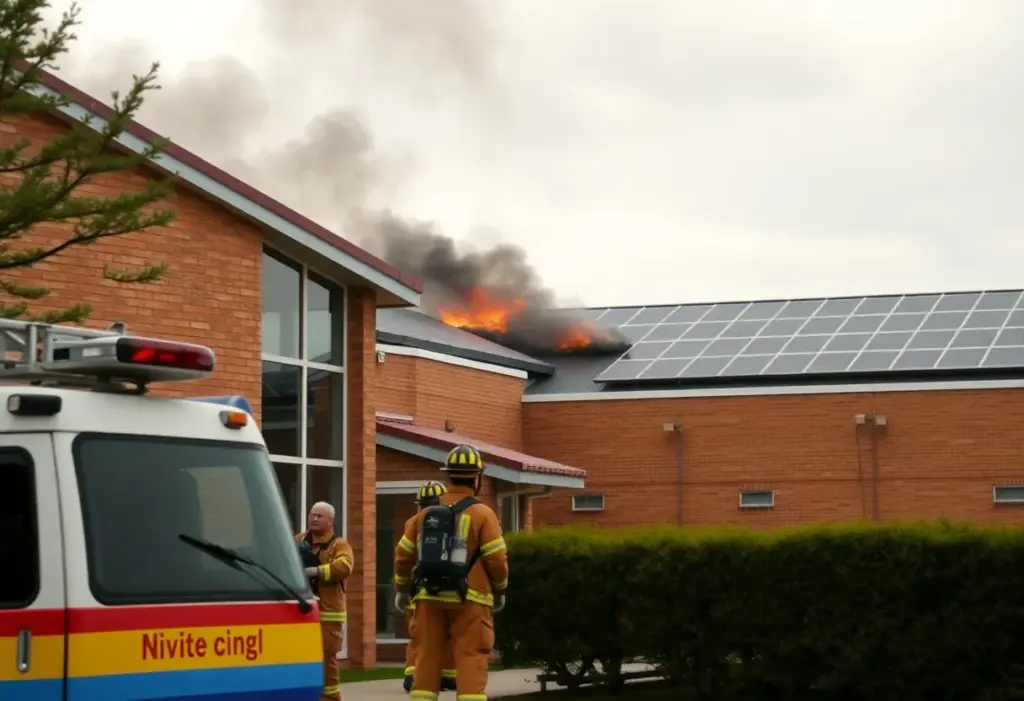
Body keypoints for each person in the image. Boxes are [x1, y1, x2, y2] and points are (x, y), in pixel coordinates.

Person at [394, 444, 509, 701]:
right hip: (472, 599)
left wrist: (402, 589)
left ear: (448, 476)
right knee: (471, 657)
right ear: (477, 477)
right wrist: (500, 589)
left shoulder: (423, 515)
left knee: (426, 657)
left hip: (428, 597)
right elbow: (497, 559)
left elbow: (402, 557)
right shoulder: (483, 514)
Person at [403, 480, 458, 694]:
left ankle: (412, 674)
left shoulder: (412, 522)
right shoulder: (452, 520)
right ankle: (448, 676)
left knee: (418, 634)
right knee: (450, 634)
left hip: (418, 586)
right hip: (448, 585)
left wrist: (401, 586)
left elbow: (403, 557)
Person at [296, 501, 354, 701]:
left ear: (330, 521)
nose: (314, 518)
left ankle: (330, 698)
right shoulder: (298, 541)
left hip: (328, 614)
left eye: (319, 516)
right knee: (301, 659)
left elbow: (344, 567)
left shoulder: (339, 544)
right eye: (312, 514)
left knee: (327, 659)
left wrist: (316, 571)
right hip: (301, 612)